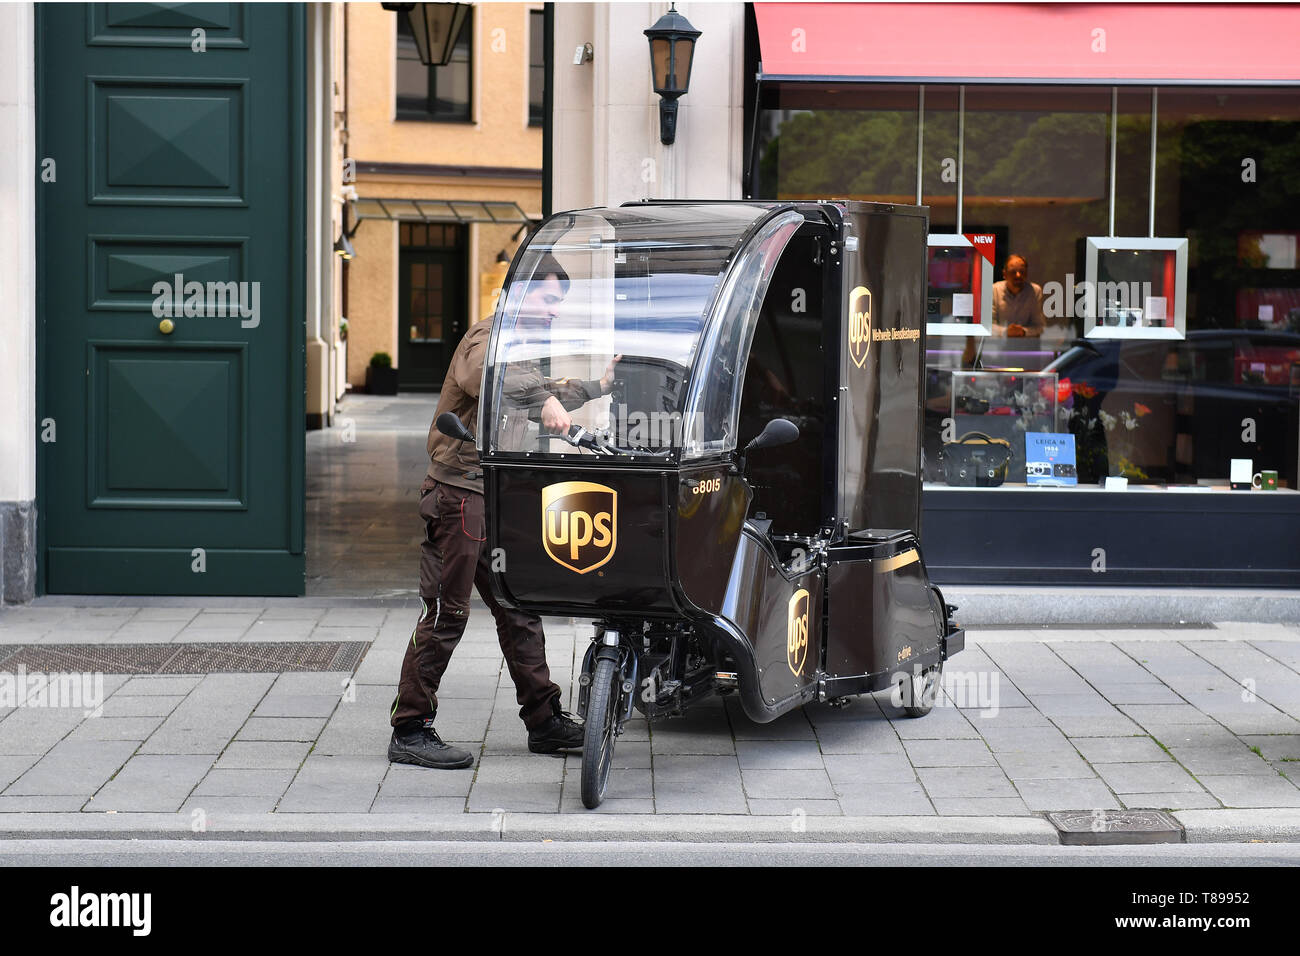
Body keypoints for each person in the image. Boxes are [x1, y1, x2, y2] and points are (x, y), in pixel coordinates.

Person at [388, 254, 619, 769]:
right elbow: (485, 379)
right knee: (447, 612)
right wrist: (542, 402)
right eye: (548, 300)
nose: (555, 313)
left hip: (495, 495)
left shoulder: (524, 351)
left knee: (518, 605)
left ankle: (544, 721)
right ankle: (409, 728)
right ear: (518, 293)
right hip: (458, 496)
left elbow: (542, 392)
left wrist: (596, 387)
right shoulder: (485, 337)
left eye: (560, 304)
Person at [991, 253, 1045, 338]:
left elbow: (1039, 327)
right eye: (1013, 271)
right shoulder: (994, 290)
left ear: (1026, 273)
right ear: (1004, 274)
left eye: (1022, 271)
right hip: (999, 347)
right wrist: (1006, 331)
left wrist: (1023, 331)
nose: (1018, 275)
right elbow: (988, 326)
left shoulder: (1035, 291)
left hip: (1027, 347)